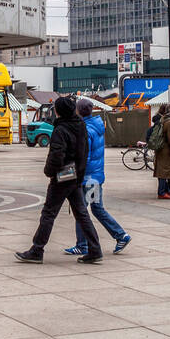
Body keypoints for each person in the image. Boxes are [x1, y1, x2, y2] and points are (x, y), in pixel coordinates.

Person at [15, 95, 103, 264]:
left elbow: (57, 155)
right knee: (81, 213)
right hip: (76, 175)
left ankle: (37, 249)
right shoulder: (80, 126)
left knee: (49, 213)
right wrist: (80, 172)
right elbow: (84, 152)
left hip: (63, 175)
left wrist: (49, 171)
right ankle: (95, 249)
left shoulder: (61, 129)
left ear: (59, 111)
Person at [64, 97, 131, 255]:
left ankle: (84, 244)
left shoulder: (86, 129)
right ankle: (120, 235)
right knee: (95, 208)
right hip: (96, 176)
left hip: (87, 177)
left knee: (82, 210)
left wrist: (75, 173)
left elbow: (84, 156)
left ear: (79, 111)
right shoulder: (97, 125)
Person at [153, 103, 170, 199]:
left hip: (162, 149)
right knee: (164, 171)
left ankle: (166, 190)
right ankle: (161, 192)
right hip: (166, 150)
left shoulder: (164, 118)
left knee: (164, 171)